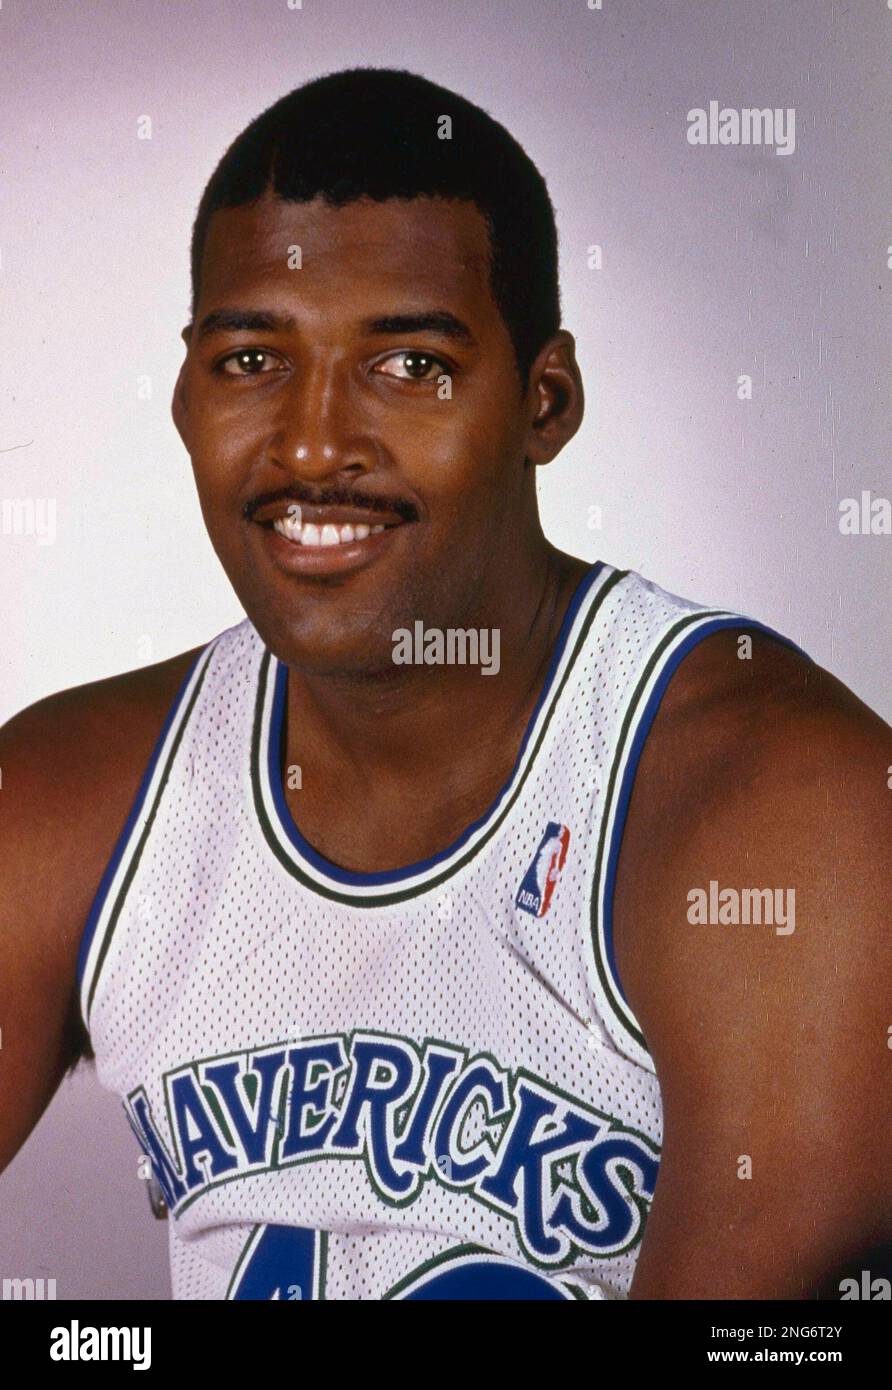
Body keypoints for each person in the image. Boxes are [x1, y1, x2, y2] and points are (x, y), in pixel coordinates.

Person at [1, 66, 889, 1301]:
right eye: (253, 356)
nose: (313, 442)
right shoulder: (66, 795)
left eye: (409, 365)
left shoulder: (785, 807)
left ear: (545, 401)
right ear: (183, 390)